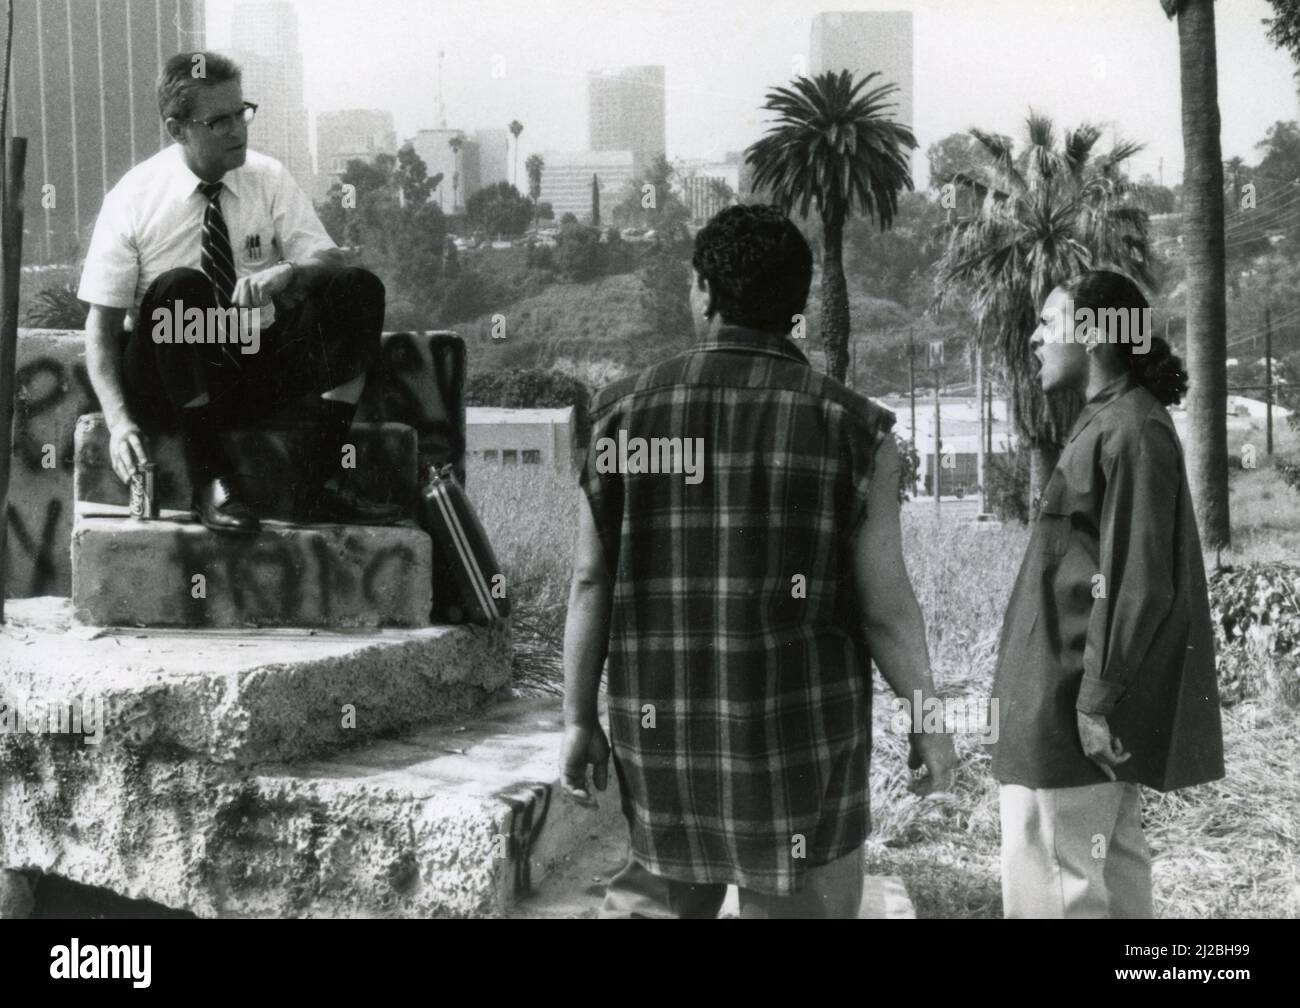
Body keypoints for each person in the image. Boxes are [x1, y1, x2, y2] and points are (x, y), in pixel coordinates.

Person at [560, 204, 957, 919]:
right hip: (801, 757)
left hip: (666, 751)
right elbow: (886, 608)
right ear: (797, 305)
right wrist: (928, 718)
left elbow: (591, 580)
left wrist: (575, 719)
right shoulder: (855, 431)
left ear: (706, 291)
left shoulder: (621, 417)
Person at [79, 51, 401, 534]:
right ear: (177, 128)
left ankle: (318, 481)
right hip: (171, 377)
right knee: (180, 287)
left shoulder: (266, 177)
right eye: (219, 121)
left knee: (357, 288)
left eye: (241, 112)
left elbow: (330, 259)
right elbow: (101, 328)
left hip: (251, 367)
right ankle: (211, 480)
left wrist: (286, 273)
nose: (238, 130)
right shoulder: (134, 198)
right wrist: (120, 423)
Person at [990, 269, 1224, 918]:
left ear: (1092, 333)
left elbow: (1138, 581)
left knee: (1055, 883)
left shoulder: (1128, 430)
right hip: (1077, 701)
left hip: (1070, 709)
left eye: (1047, 322)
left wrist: (1094, 703)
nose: (1035, 338)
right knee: (1108, 872)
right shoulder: (1114, 422)